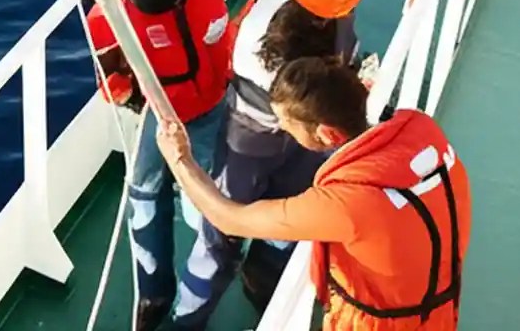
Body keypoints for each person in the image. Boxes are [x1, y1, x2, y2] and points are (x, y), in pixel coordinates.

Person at [156, 56, 472, 331]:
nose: (280, 129)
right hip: (440, 308)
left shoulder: (346, 203)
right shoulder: (421, 129)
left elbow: (229, 218)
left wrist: (179, 159)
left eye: (286, 124)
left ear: (327, 134)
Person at [175, 0, 370, 328]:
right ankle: (257, 289)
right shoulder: (322, 46)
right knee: (278, 222)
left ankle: (189, 318)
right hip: (291, 141)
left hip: (255, 139)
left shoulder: (266, 0)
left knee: (222, 236)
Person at [87, 0, 233, 331]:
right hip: (158, 110)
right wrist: (130, 96)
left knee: (205, 208)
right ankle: (154, 293)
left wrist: (219, 93)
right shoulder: (108, 10)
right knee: (144, 195)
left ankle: (198, 297)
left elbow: (221, 49)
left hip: (207, 109)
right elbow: (110, 75)